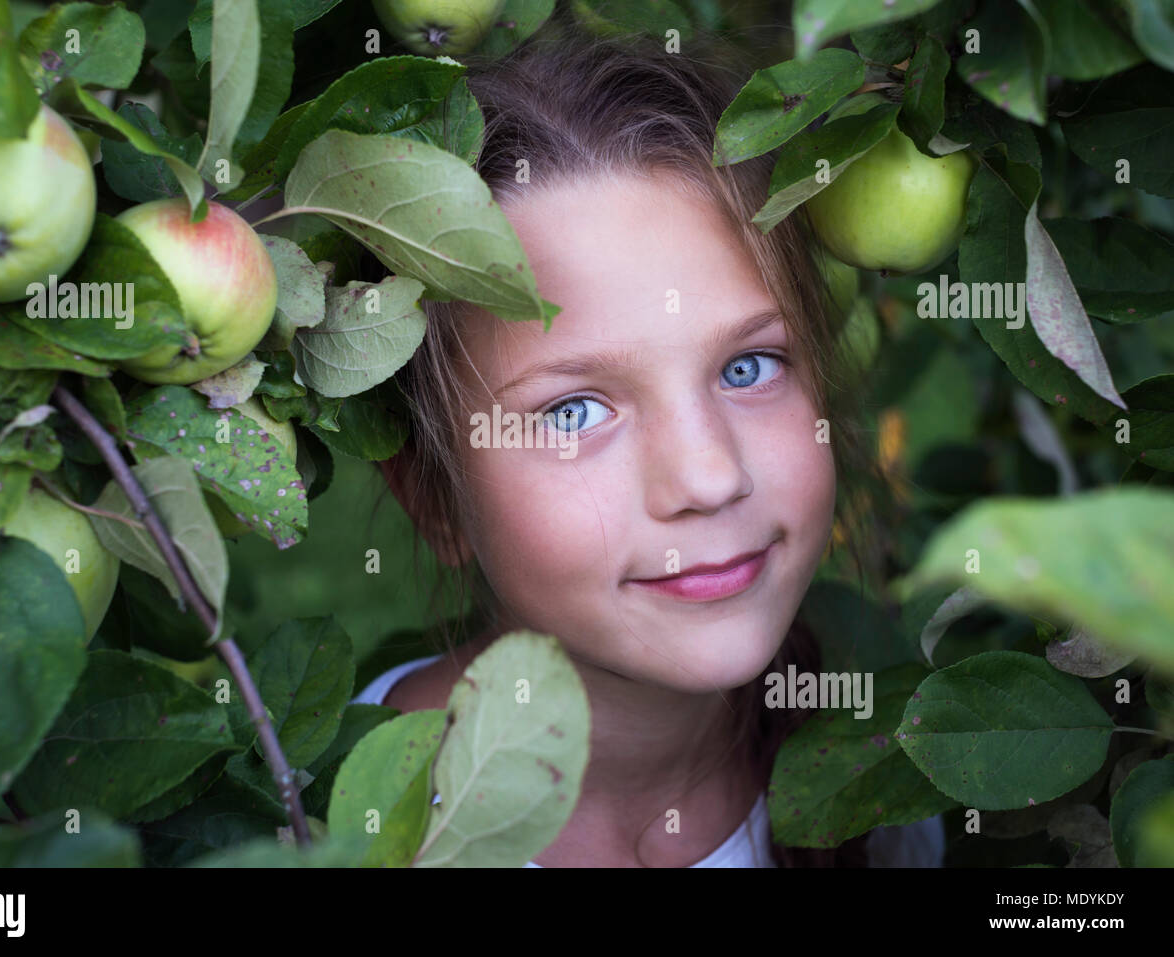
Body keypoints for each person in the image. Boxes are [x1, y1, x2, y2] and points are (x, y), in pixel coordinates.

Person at [350, 25, 945, 868]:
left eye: (749, 365)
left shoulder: (881, 806)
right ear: (434, 499)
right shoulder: (331, 833)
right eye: (574, 413)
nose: (710, 477)